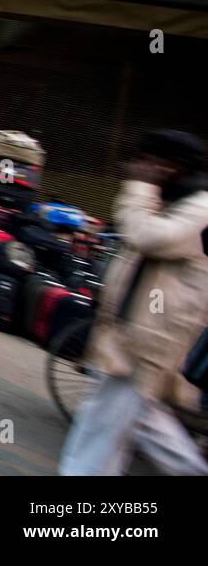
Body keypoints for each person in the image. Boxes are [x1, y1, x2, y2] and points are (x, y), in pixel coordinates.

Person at [58, 130, 208, 476]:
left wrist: (140, 189)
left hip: (153, 337)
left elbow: (147, 237)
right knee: (137, 422)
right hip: (137, 331)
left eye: (150, 162)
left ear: (175, 167)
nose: (141, 168)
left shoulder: (200, 209)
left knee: (103, 426)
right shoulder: (177, 201)